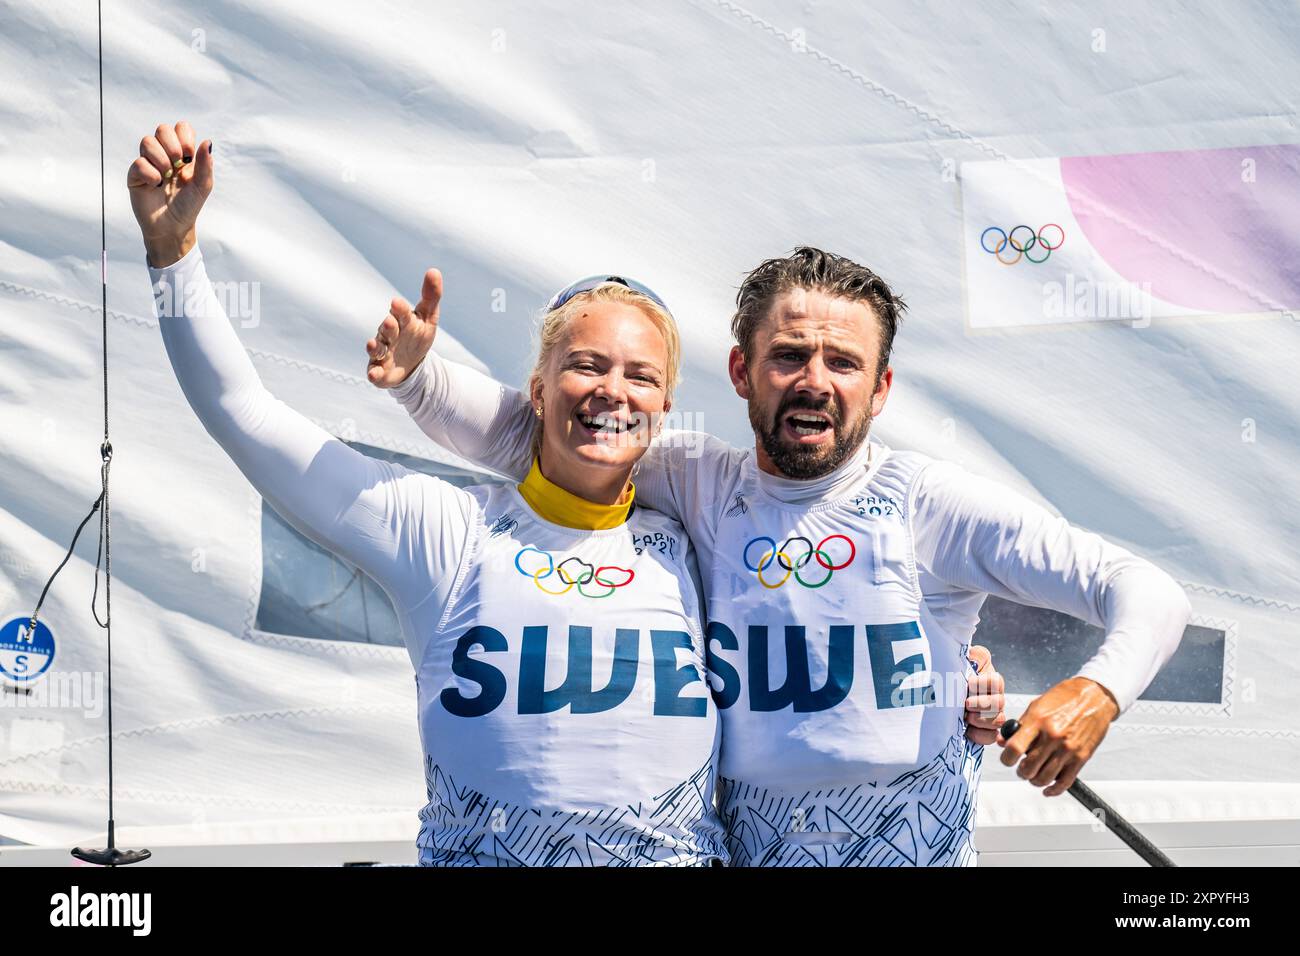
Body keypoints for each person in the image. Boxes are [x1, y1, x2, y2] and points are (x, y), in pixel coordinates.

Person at [369, 246, 1191, 867]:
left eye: (844, 362)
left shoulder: (929, 503)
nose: (815, 380)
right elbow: (540, 432)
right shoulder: (692, 480)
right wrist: (417, 380)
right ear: (742, 371)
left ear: (881, 388)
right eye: (789, 356)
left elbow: (1140, 588)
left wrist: (1098, 689)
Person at [129, 120, 729, 866]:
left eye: (640, 375)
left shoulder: (705, 535)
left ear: (665, 406)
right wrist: (172, 253)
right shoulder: (446, 531)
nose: (613, 390)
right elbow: (244, 416)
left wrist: (425, 385)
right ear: (537, 391)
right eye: (585, 364)